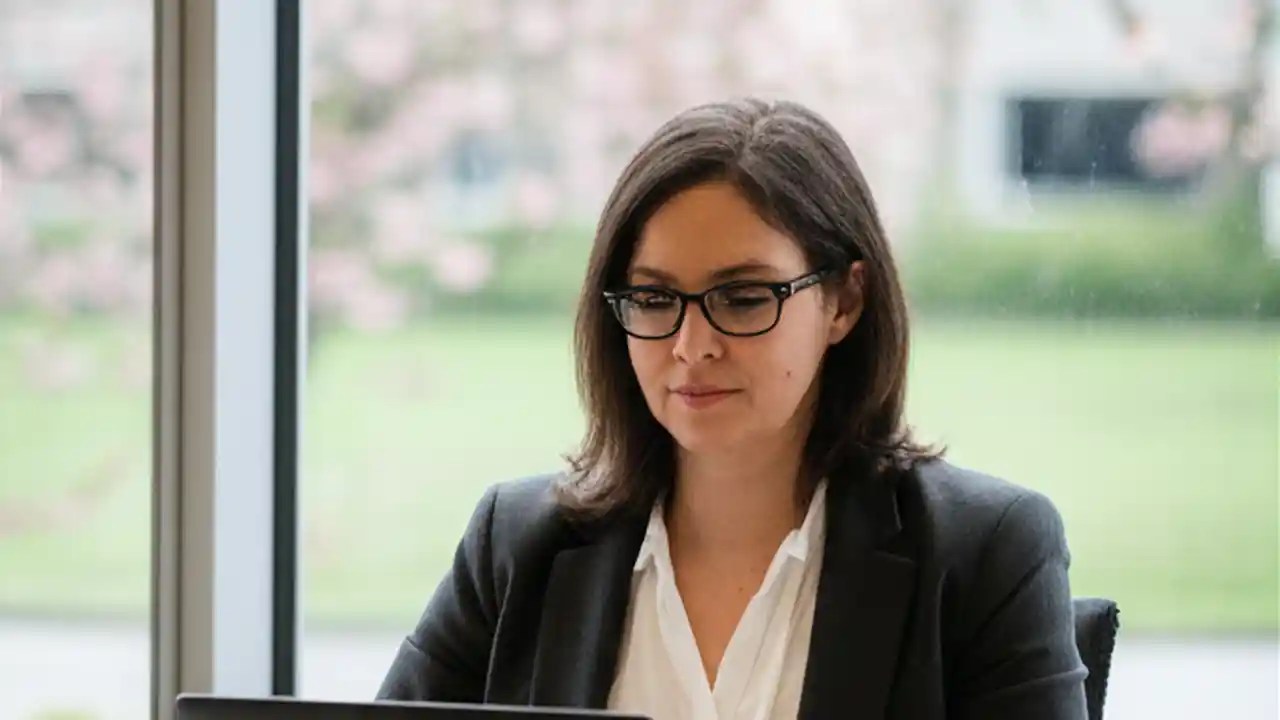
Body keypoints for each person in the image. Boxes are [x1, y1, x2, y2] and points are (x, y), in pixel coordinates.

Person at [377, 97, 1087, 719]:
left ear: (844, 301)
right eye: (654, 299)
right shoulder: (516, 545)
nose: (691, 346)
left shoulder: (985, 552)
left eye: (743, 298)